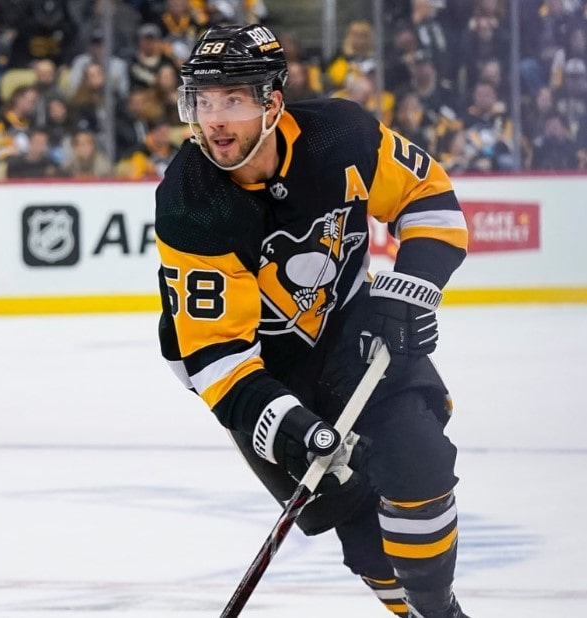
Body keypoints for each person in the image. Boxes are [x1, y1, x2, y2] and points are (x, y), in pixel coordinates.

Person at [154, 25, 470, 618]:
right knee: (362, 534)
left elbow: (427, 198)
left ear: (273, 103)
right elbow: (213, 355)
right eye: (204, 101)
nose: (215, 121)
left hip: (354, 333)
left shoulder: (340, 135)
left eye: (233, 100)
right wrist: (293, 425)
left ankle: (441, 613)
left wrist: (409, 292)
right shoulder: (191, 201)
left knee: (419, 462)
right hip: (262, 373)